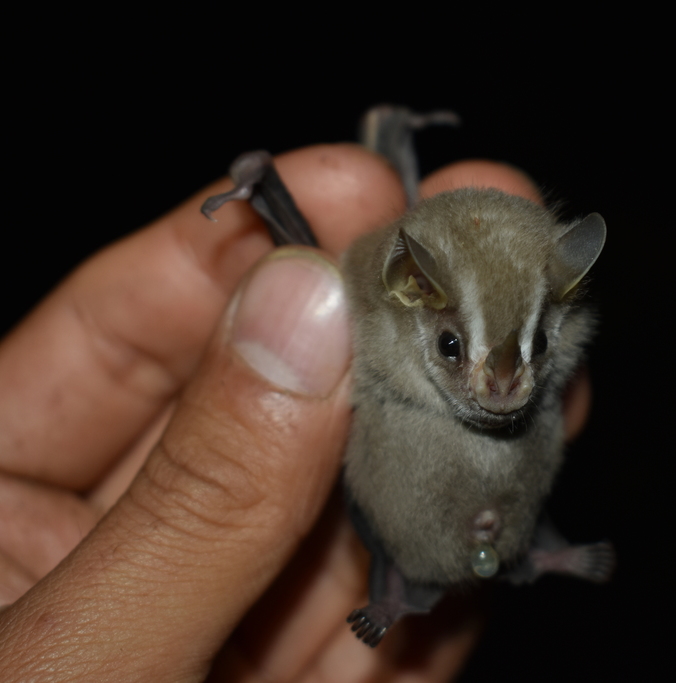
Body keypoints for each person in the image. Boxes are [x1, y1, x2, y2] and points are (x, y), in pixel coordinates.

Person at [0, 145, 590, 681]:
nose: (502, 390)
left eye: (536, 349)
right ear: (411, 293)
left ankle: (519, 547)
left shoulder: (552, 350)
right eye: (453, 348)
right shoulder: (371, 314)